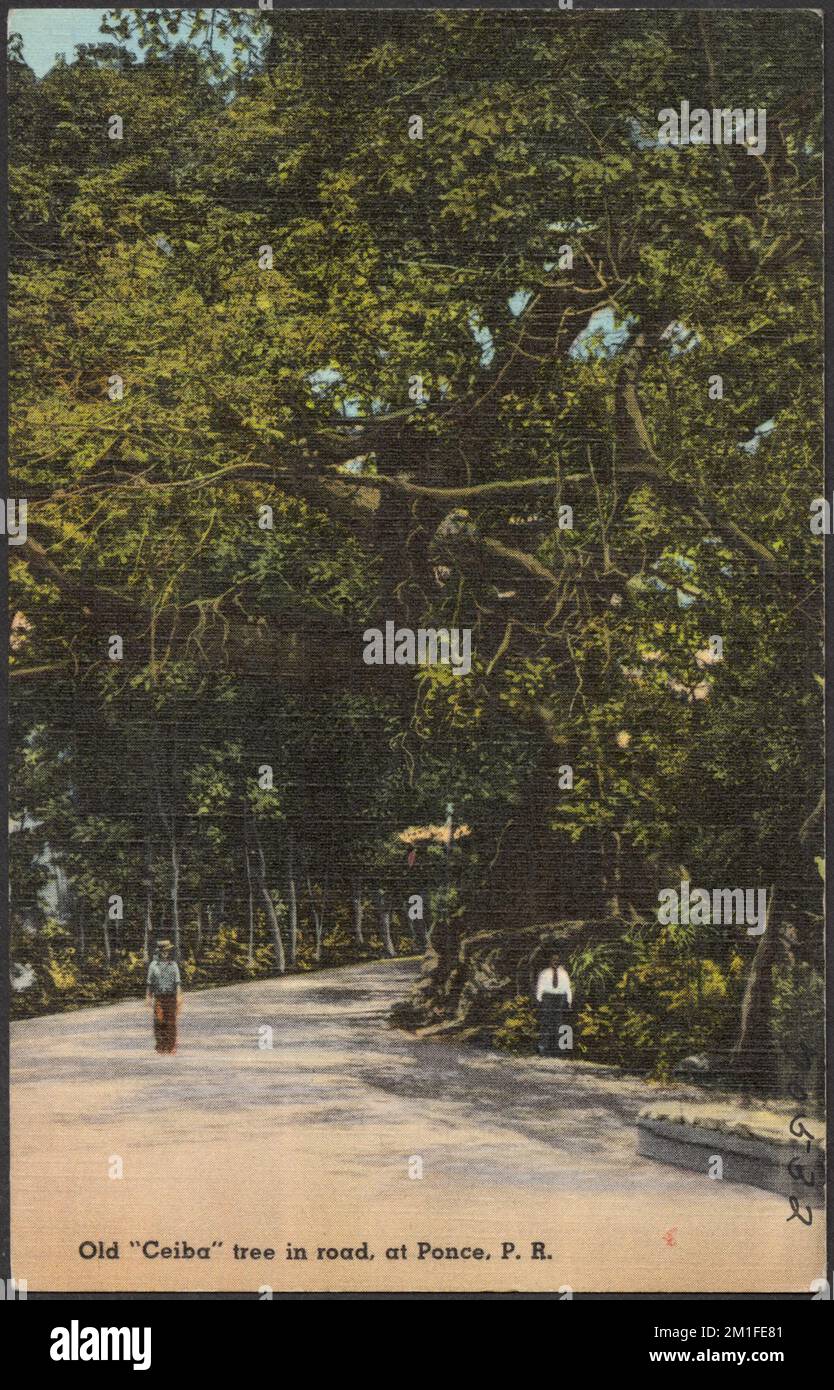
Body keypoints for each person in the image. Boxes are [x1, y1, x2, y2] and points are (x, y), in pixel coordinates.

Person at [146, 940, 182, 1054]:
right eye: (163, 951)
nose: (165, 953)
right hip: (159, 997)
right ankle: (161, 1045)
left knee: (170, 1021)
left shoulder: (174, 965)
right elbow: (149, 983)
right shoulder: (153, 965)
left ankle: (171, 1046)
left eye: (168, 951)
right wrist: (148, 997)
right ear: (159, 952)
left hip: (171, 996)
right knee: (159, 1021)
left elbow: (178, 983)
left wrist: (179, 997)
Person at [535, 954, 572, 1057]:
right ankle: (543, 1048)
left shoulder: (564, 973)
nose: (555, 962)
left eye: (557, 960)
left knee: (559, 1023)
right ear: (550, 961)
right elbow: (540, 987)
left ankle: (559, 1050)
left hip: (560, 998)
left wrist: (569, 1001)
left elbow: (567, 987)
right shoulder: (544, 973)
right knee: (546, 1023)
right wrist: (539, 1000)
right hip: (547, 998)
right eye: (553, 960)